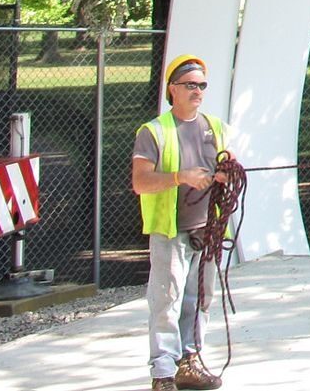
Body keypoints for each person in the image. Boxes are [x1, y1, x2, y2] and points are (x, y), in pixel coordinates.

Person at [129, 54, 232, 391]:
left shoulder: (216, 128)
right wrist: (180, 177)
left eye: (202, 85)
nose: (198, 91)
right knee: (166, 298)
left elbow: (229, 165)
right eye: (191, 85)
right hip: (170, 229)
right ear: (172, 89)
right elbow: (141, 182)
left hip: (207, 229)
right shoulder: (153, 132)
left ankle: (190, 361)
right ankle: (162, 372)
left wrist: (226, 174)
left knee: (200, 298)